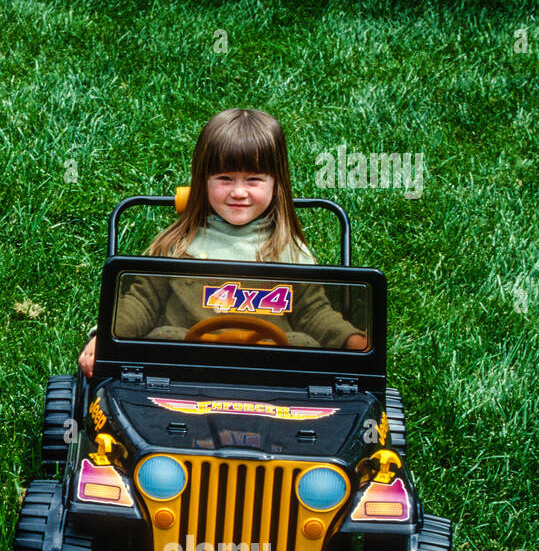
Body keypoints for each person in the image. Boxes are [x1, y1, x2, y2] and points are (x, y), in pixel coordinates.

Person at [78, 108, 368, 377]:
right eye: (225, 178)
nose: (238, 192)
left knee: (304, 344)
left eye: (254, 179)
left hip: (271, 372)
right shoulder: (178, 245)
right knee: (162, 337)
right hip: (185, 369)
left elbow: (314, 313)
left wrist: (350, 339)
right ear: (202, 181)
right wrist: (104, 335)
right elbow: (141, 302)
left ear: (277, 183)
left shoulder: (288, 252)